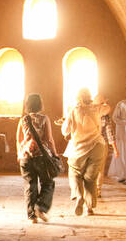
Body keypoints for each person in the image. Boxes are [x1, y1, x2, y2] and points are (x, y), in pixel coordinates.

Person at [61, 88, 111, 215]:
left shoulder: (73, 110)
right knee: (90, 178)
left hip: (78, 148)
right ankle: (89, 208)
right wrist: (101, 102)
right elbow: (108, 108)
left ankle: (79, 196)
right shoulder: (96, 108)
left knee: (75, 173)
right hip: (97, 146)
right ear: (90, 97)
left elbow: (65, 130)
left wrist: (69, 117)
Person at [16, 93, 58, 223]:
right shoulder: (44, 119)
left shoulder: (23, 119)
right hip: (41, 156)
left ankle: (31, 216)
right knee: (48, 182)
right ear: (40, 104)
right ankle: (40, 207)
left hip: (25, 156)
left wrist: (19, 154)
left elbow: (19, 139)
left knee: (30, 185)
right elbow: (48, 139)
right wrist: (55, 154)